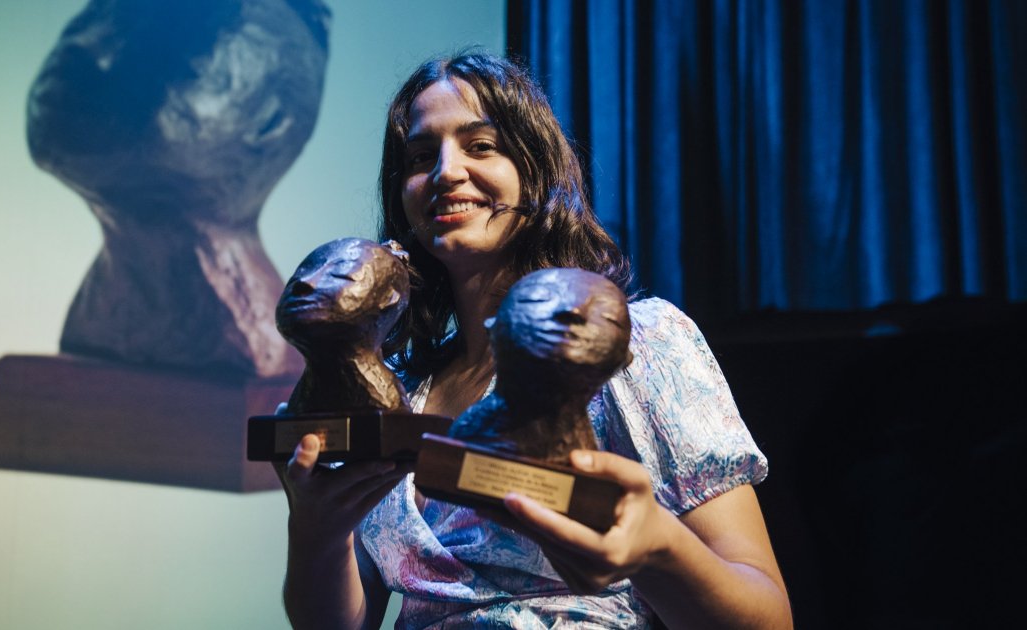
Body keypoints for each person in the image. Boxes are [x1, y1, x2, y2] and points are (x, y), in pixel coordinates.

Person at [276, 52, 792, 629]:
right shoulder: (396, 390)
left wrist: (659, 547)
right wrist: (316, 533)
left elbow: (767, 619)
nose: (445, 172)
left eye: (480, 145)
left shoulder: (638, 343)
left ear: (536, 169)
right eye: (421, 157)